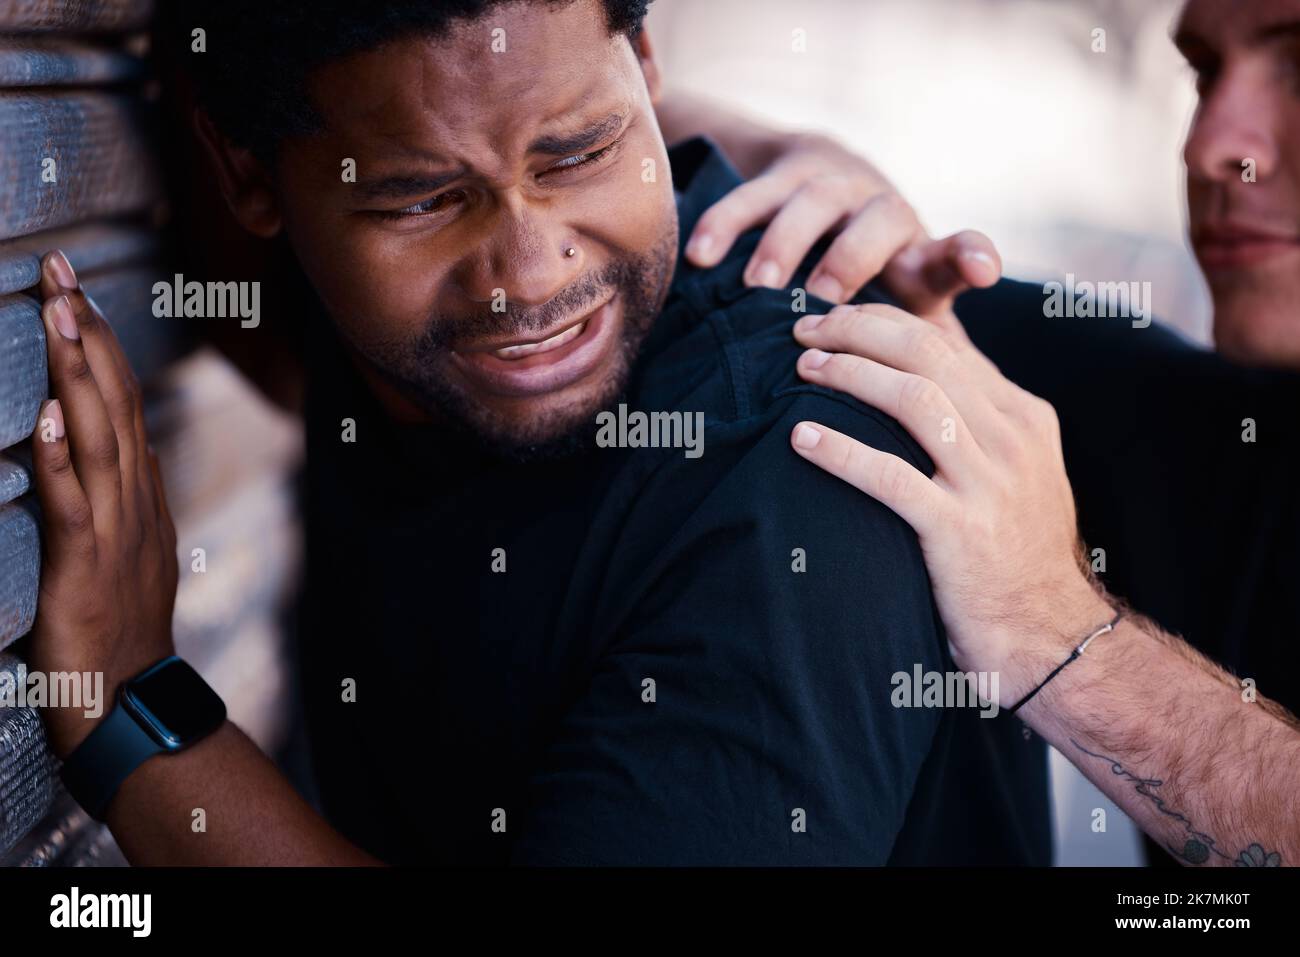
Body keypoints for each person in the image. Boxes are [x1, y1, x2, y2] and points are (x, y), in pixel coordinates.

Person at [25, 0, 1032, 865]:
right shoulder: (365, 334)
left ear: (646, 70)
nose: (531, 275)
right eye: (421, 200)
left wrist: (139, 721)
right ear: (250, 180)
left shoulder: (801, 486)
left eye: (582, 151)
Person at [786, 0, 1300, 867]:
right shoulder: (1208, 428)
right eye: (1204, 71)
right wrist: (806, 169)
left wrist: (1052, 631)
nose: (1210, 143)